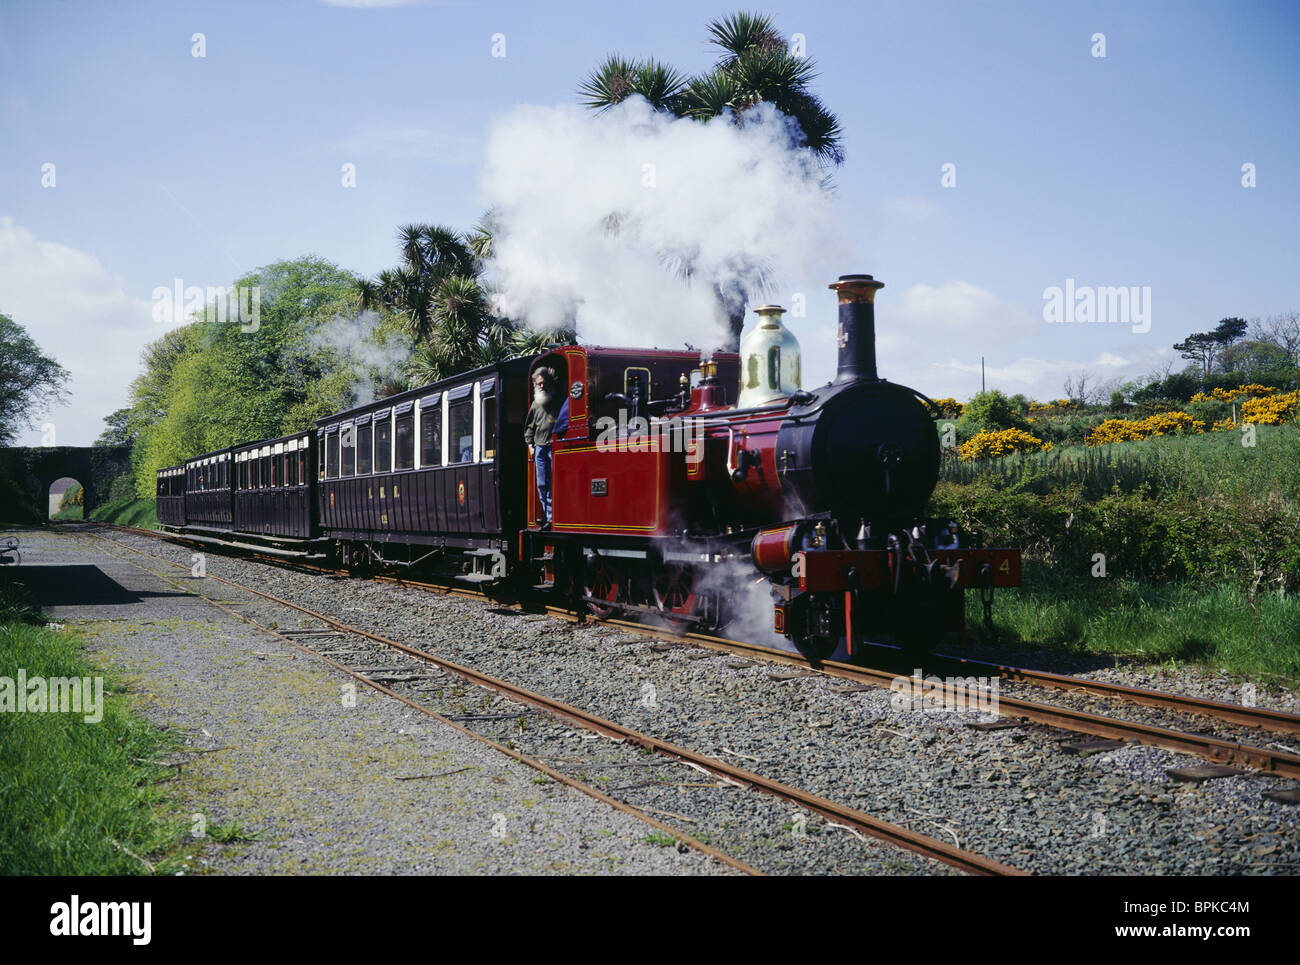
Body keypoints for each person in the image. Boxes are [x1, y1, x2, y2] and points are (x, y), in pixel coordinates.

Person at [524, 366, 563, 528]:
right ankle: (548, 517)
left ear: (549, 383)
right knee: (542, 483)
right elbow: (529, 427)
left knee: (556, 482)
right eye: (538, 384)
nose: (541, 386)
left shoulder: (559, 400)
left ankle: (556, 516)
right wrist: (530, 445)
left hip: (555, 447)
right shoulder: (535, 405)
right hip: (539, 447)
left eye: (543, 383)